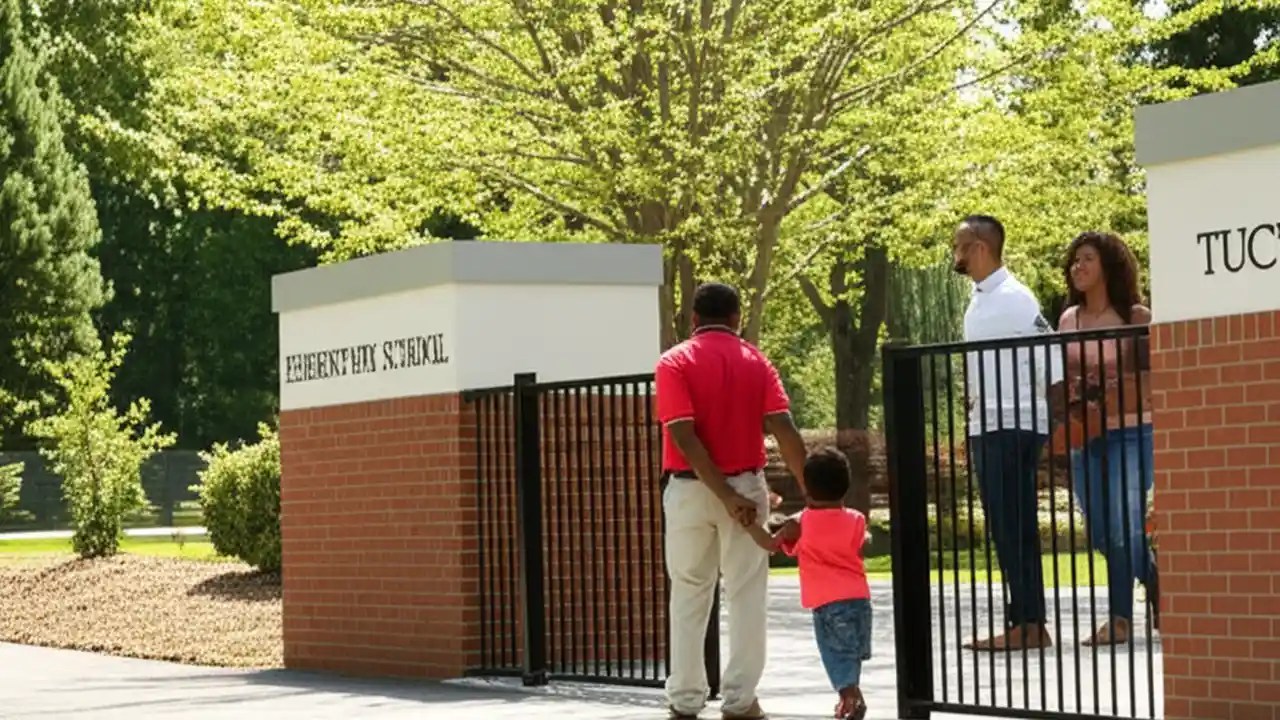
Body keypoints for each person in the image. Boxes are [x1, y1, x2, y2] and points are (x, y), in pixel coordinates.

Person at [655, 282, 809, 720]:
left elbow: (683, 435)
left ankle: (685, 698)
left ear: (694, 319)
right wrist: (813, 494)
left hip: (689, 490)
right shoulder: (757, 362)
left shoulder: (673, 363)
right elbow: (784, 428)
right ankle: (740, 700)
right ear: (738, 318)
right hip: (747, 486)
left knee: (689, 591)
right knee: (745, 594)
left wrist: (721, 495)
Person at [952, 214, 1059, 652]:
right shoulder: (979, 301)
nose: (954, 254)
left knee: (1013, 525)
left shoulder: (1015, 298)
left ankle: (1029, 623)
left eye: (958, 245)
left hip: (1012, 426)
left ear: (979, 247)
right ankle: (1028, 621)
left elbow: (1048, 357)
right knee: (1007, 525)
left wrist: (1049, 423)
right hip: (989, 424)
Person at [1053, 231, 1158, 645]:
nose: (1078, 266)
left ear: (1108, 265)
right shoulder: (1068, 320)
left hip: (1131, 433)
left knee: (1122, 528)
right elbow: (1061, 381)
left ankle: (1119, 620)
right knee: (1099, 532)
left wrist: (1113, 397)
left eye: (1087, 259)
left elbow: (1152, 381)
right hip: (1085, 435)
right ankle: (1156, 580)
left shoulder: (1136, 317)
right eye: (1075, 260)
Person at [772, 447, 872, 720]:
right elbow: (863, 545)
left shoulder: (802, 521)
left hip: (827, 603)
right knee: (850, 655)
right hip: (859, 600)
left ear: (807, 489)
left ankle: (850, 703)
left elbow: (776, 543)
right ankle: (851, 699)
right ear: (845, 487)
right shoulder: (856, 519)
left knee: (836, 655)